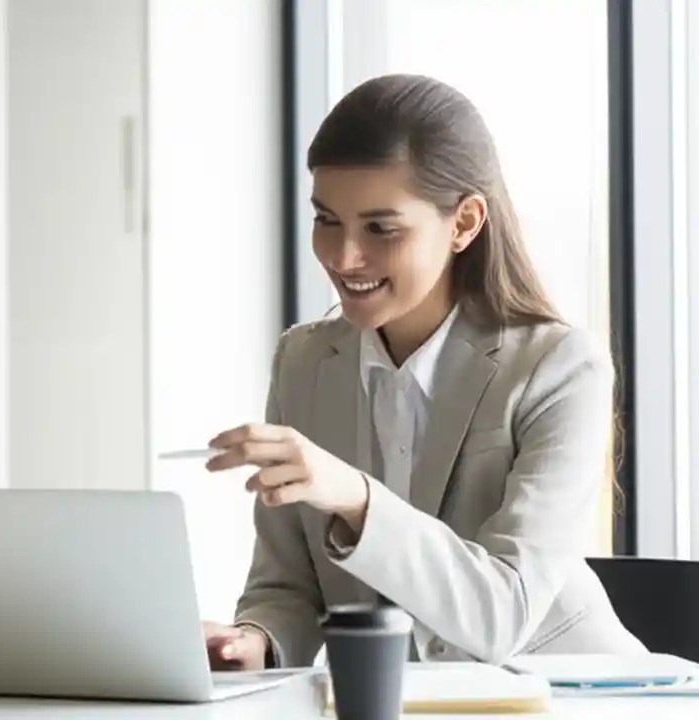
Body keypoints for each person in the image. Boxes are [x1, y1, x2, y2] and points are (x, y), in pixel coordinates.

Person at [202, 74, 644, 669]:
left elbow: (502, 613)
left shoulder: (559, 368)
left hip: (565, 696)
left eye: (380, 228)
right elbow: (288, 590)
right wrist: (255, 641)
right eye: (326, 220)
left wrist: (356, 498)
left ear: (463, 223)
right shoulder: (304, 362)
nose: (342, 256)